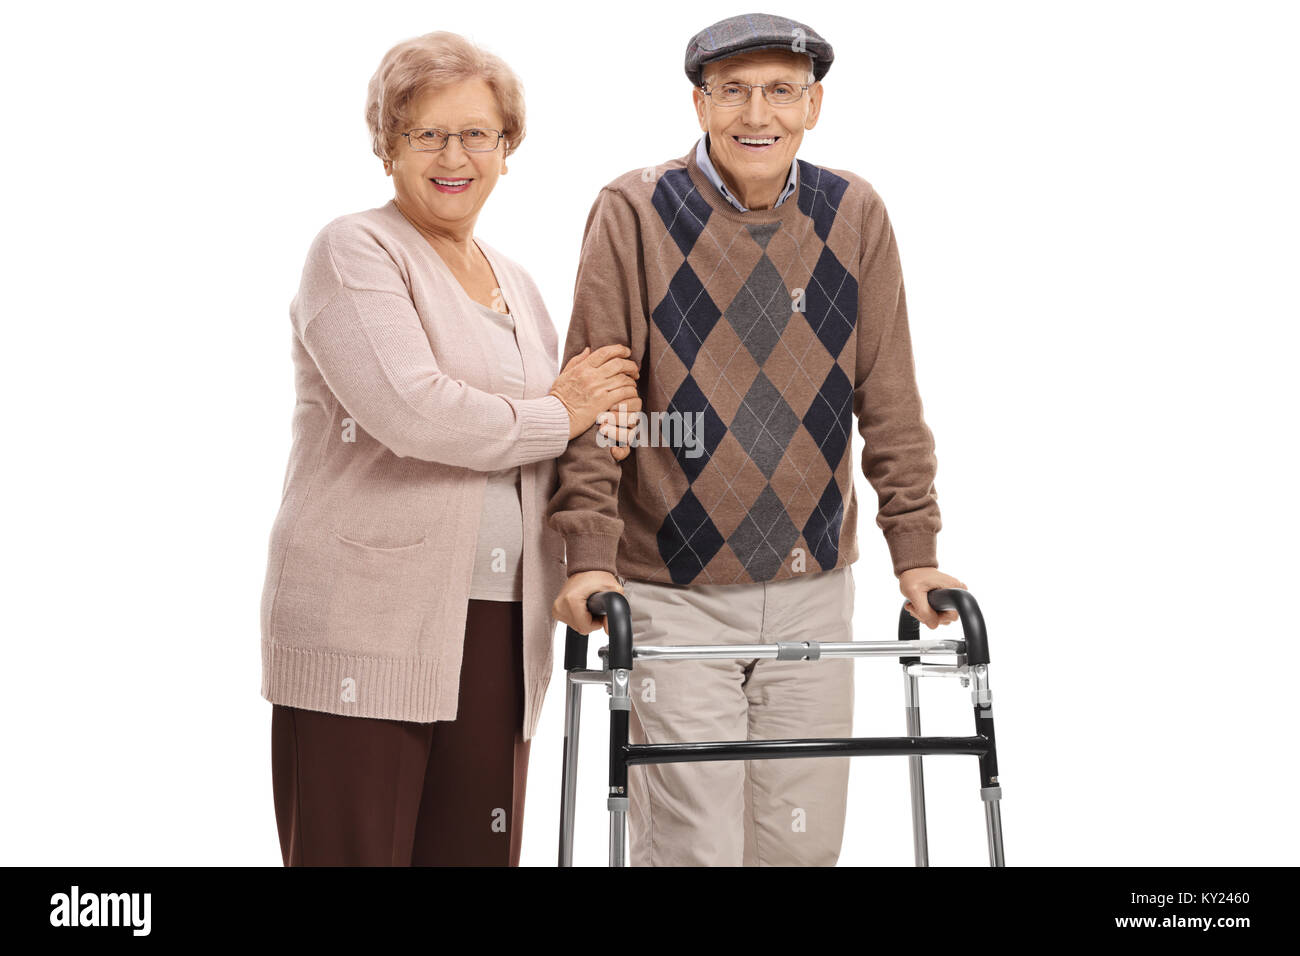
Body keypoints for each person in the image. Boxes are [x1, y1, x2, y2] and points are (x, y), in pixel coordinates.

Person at [547, 13, 967, 866]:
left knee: (798, 848)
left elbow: (887, 395)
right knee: (695, 846)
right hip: (672, 586)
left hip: (814, 583)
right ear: (699, 103)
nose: (757, 112)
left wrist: (914, 550)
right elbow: (599, 399)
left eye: (782, 91)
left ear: (814, 105)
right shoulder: (634, 210)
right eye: (733, 90)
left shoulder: (852, 213)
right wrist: (587, 551)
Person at [259, 30, 639, 866]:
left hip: (503, 627)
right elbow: (414, 411)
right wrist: (564, 409)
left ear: (508, 149)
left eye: (477, 134)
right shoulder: (355, 250)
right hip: (366, 627)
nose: (453, 155)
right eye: (426, 133)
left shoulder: (520, 283)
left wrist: (607, 420)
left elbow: (560, 433)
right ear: (387, 147)